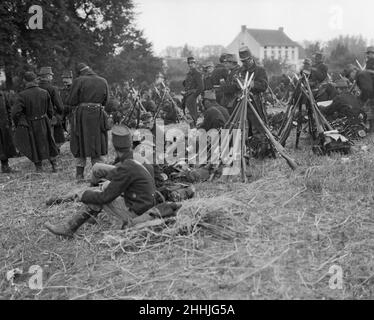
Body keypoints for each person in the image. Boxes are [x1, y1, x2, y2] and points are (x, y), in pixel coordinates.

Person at [44, 125, 175, 238]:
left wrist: (85, 195)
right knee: (100, 192)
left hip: (137, 211)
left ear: (115, 148)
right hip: (145, 204)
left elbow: (105, 197)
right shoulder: (139, 158)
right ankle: (83, 219)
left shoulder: (127, 166)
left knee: (97, 197)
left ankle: (69, 228)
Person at [68, 62, 110, 181]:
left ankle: (79, 175)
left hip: (82, 116)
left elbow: (71, 100)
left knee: (80, 143)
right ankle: (99, 175)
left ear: (79, 72)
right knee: (97, 144)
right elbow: (106, 101)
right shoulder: (103, 80)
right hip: (98, 115)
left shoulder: (79, 81)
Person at [12, 72, 59, 172]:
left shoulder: (22, 95)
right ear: (35, 80)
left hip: (30, 123)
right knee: (49, 142)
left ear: (25, 81)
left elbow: (15, 113)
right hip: (44, 121)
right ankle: (55, 166)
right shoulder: (44, 92)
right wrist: (48, 118)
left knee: (34, 144)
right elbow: (50, 110)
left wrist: (20, 123)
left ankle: (39, 168)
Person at [237, 46, 268, 134]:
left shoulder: (260, 70)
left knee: (259, 128)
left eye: (245, 61)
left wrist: (253, 84)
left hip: (256, 103)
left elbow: (264, 86)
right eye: (242, 61)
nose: (244, 63)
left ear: (250, 58)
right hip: (242, 104)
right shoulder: (240, 71)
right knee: (243, 128)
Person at [38, 67, 65, 148]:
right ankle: (54, 153)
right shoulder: (52, 88)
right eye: (51, 75)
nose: (52, 77)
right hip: (51, 117)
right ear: (48, 76)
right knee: (55, 138)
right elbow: (59, 106)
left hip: (37, 118)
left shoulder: (35, 88)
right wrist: (61, 114)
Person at [182, 57, 204, 126]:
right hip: (187, 96)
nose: (190, 65)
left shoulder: (197, 73)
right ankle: (191, 132)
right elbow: (187, 84)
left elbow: (201, 87)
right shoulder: (188, 74)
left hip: (193, 97)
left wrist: (194, 96)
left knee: (192, 116)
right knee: (188, 116)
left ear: (195, 64)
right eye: (189, 63)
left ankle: (193, 132)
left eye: (192, 63)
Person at [0, 90, 18, 173]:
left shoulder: (3, 95)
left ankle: (5, 166)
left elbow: (8, 109)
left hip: (3, 125)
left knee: (4, 147)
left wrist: (9, 122)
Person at [59, 70, 73, 139]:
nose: (64, 81)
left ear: (70, 78)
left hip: (72, 113)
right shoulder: (62, 90)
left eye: (66, 79)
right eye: (63, 80)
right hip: (64, 113)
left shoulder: (74, 89)